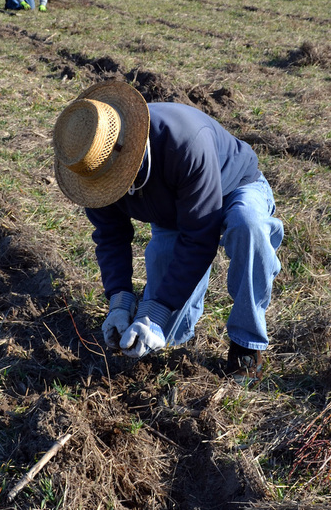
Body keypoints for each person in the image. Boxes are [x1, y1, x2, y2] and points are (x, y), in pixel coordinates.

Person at [52, 80, 284, 385]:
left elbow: (200, 237)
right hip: (171, 210)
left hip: (235, 185)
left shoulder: (184, 142)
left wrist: (156, 311)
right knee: (165, 315)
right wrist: (120, 301)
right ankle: (173, 339)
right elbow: (111, 237)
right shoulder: (93, 168)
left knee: (248, 226)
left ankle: (247, 345)